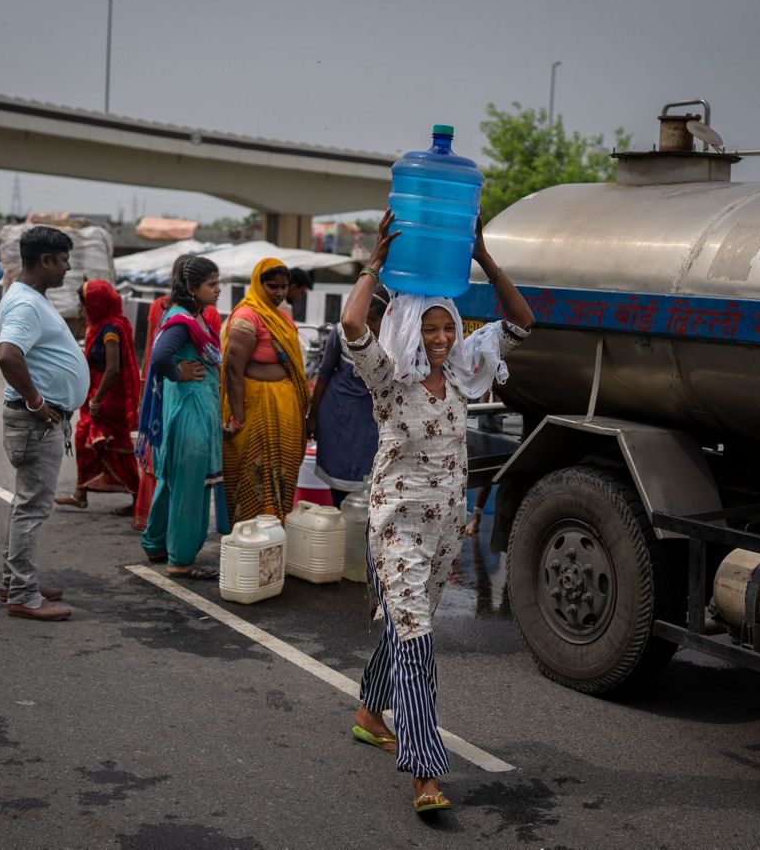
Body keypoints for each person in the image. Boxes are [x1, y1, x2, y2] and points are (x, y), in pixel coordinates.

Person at [342, 209, 534, 815]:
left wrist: (483, 258)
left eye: (446, 327)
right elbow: (351, 322)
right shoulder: (389, 380)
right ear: (406, 331)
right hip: (396, 527)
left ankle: (370, 711)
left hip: (445, 528)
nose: (441, 339)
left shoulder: (460, 376)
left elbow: (522, 323)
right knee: (420, 639)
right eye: (428, 330)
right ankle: (425, 772)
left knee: (408, 624)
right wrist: (374, 266)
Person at [0, 226, 89, 621]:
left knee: (25, 506)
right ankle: (23, 594)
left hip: (39, 421)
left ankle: (13, 580)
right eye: (64, 260)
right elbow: (7, 355)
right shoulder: (26, 305)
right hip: (36, 423)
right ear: (46, 261)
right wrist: (35, 400)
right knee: (32, 510)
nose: (68, 268)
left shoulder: (30, 297)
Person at [138, 256, 223, 577]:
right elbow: (160, 356)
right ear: (191, 288)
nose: (218, 290)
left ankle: (157, 543)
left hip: (187, 410)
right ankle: (182, 560)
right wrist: (178, 373)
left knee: (173, 481)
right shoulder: (182, 321)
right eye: (211, 285)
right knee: (190, 485)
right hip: (189, 414)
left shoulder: (190, 316)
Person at [220, 258, 310, 525]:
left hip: (284, 407)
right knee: (256, 472)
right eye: (273, 287)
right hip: (257, 407)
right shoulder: (246, 318)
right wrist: (237, 417)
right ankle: (252, 535)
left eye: (284, 287)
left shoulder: (281, 316)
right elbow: (234, 370)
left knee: (282, 473)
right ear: (258, 284)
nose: (280, 293)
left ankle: (275, 531)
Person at [54, 279, 143, 515]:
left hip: (108, 397)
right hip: (97, 392)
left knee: (116, 444)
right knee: (88, 440)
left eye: (84, 303)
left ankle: (137, 498)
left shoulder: (111, 329)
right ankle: (80, 493)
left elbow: (113, 369)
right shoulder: (98, 324)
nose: (82, 309)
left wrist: (97, 400)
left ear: (96, 303)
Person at [307, 286, 390, 507]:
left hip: (372, 422)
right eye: (362, 318)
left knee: (371, 480)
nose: (365, 326)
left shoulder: (394, 343)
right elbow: (324, 375)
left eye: (372, 319)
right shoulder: (342, 333)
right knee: (338, 482)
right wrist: (312, 417)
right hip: (338, 417)